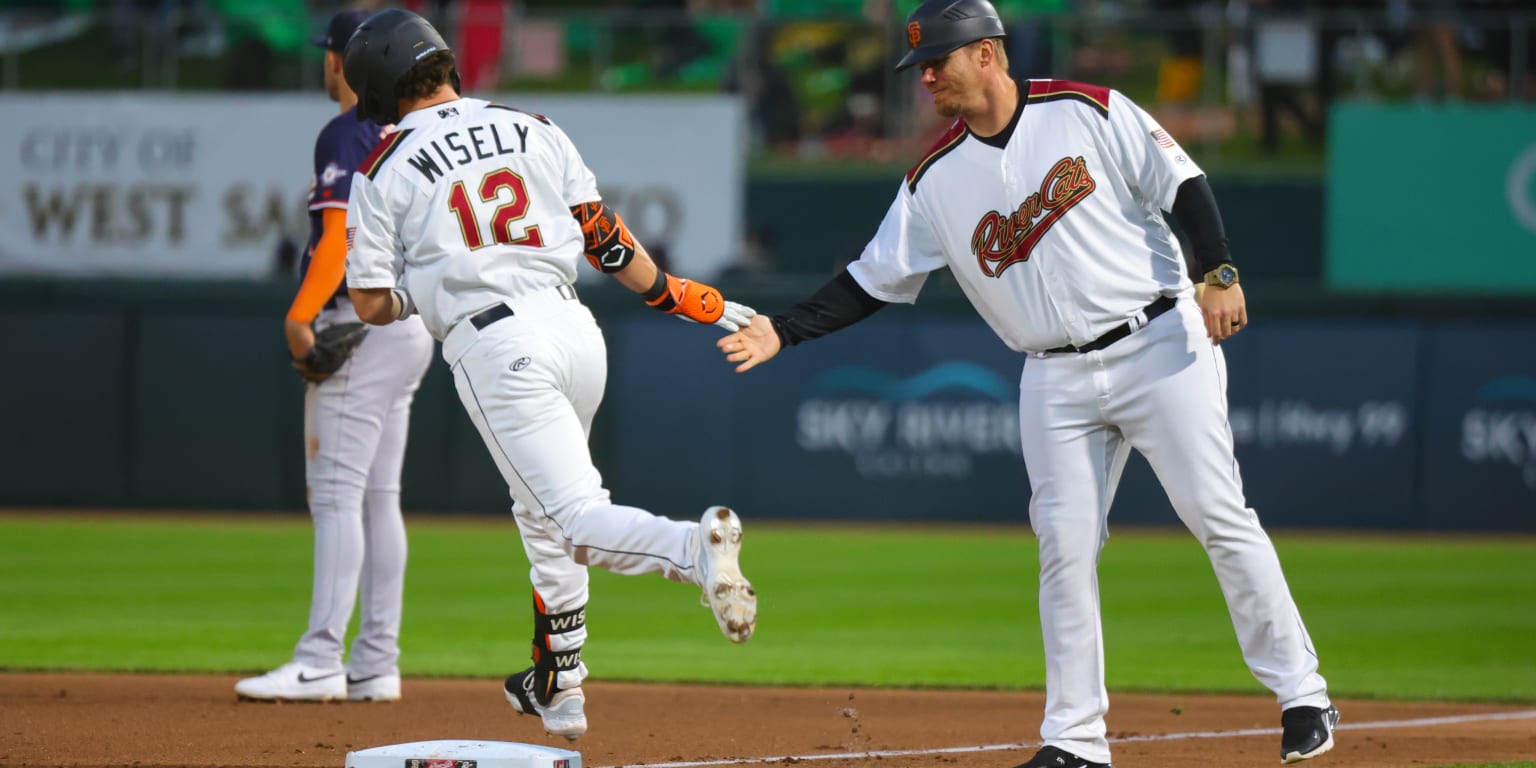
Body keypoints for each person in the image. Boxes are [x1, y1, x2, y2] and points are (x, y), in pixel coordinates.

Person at [715, 1, 1337, 766]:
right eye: (921, 67)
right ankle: (1075, 742)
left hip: (1157, 339)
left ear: (987, 54)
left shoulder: (1086, 110)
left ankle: (1302, 693)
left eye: (938, 60)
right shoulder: (933, 179)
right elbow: (870, 279)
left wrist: (1219, 271)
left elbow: (1182, 184)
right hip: (1053, 373)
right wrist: (785, 328)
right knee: (1064, 546)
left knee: (1216, 512)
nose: (928, 78)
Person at [338, 9, 759, 740]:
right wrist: (680, 297)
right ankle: (560, 686)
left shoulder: (383, 166)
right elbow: (606, 242)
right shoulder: (532, 124)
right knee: (542, 518)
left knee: (574, 520)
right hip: (575, 330)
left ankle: (692, 548)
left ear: (375, 85)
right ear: (444, 64)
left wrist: (422, 290)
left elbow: (373, 302)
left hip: (496, 343)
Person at [234, 10, 435, 704]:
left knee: (337, 497)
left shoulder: (348, 131)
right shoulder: (410, 131)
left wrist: (299, 316)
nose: (326, 65)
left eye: (329, 54)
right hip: (410, 325)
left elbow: (338, 237)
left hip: (356, 322)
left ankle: (320, 661)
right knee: (380, 499)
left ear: (345, 62)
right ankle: (377, 663)